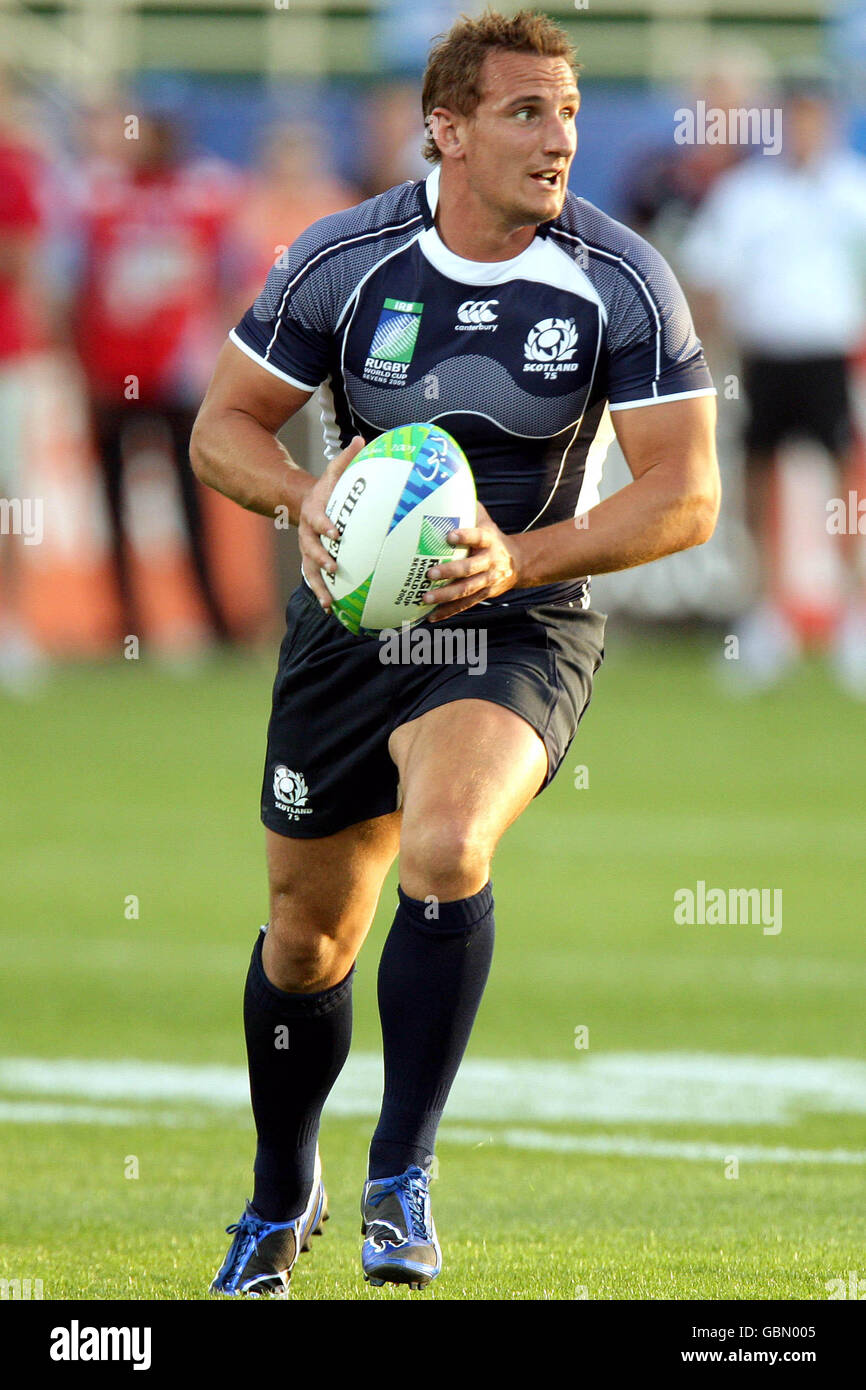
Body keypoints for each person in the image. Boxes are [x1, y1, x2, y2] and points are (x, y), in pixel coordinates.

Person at [191, 8, 719, 1296]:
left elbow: (684, 494)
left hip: (516, 615)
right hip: (350, 619)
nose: (557, 140)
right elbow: (223, 429)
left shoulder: (620, 276)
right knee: (308, 938)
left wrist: (520, 559)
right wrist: (305, 501)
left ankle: (400, 1175)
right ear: (447, 128)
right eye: (524, 113)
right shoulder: (345, 258)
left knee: (445, 845)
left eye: (569, 114)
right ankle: (278, 1192)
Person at [680, 67, 866, 693]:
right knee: (759, 484)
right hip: (765, 359)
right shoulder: (748, 195)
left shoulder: (854, 192)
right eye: (798, 116)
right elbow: (706, 278)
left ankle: (851, 620)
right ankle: (766, 616)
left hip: (828, 358)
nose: (807, 128)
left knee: (845, 488)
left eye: (817, 115)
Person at [75, 112, 237, 647]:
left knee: (192, 499)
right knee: (114, 500)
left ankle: (212, 619)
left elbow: (230, 283)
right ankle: (125, 622)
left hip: (176, 376)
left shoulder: (203, 195)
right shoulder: (100, 195)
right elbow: (75, 282)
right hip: (112, 371)